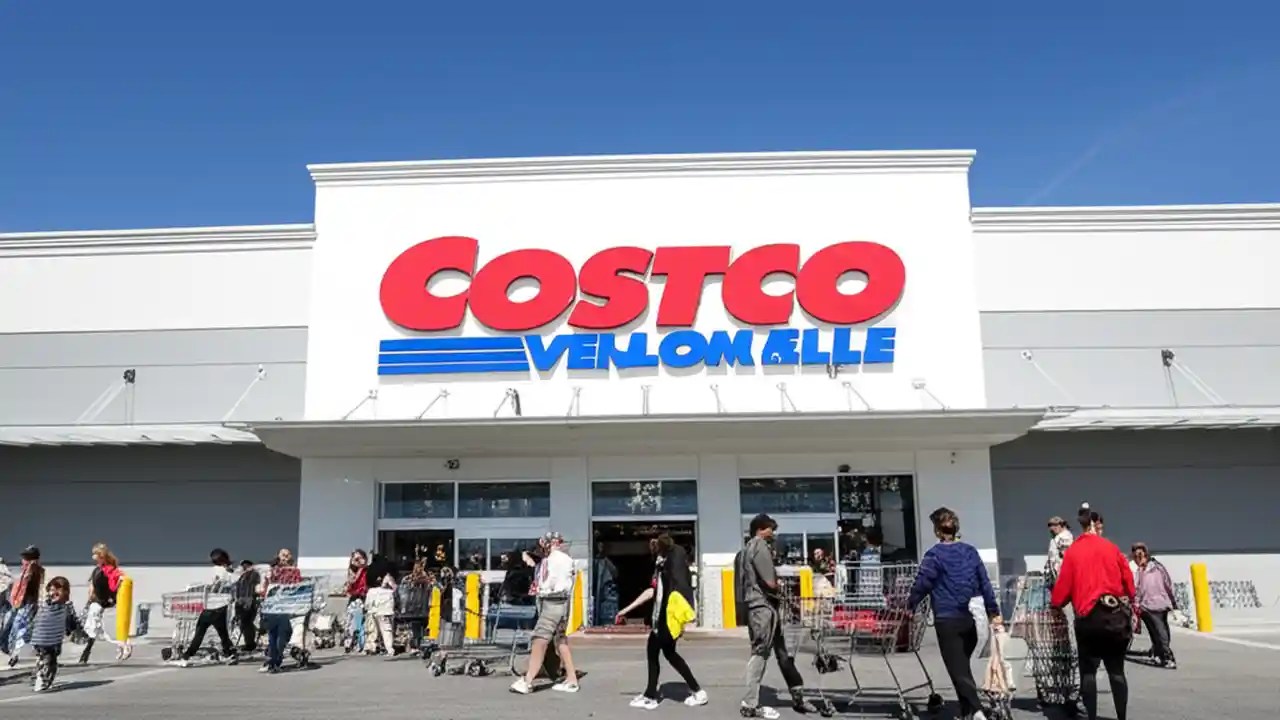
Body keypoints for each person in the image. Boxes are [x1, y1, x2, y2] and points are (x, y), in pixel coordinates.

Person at [907, 507, 1001, 720]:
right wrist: (993, 611)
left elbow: (922, 584)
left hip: (947, 619)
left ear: (938, 531)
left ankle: (977, 711)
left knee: (958, 671)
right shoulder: (970, 552)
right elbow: (985, 582)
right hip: (972, 619)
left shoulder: (934, 555)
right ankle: (966, 711)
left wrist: (909, 606)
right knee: (962, 668)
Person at [1051, 504, 1135, 720]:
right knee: (1117, 671)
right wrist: (1130, 603)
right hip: (1114, 616)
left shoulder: (1073, 552)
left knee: (1088, 672)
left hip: (1088, 619)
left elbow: (1061, 594)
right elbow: (1129, 582)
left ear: (1080, 526)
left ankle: (1092, 717)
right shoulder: (1111, 548)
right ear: (1095, 524)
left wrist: (1057, 604)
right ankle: (1122, 716)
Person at [736, 514, 816, 719]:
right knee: (761, 652)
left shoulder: (744, 550)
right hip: (763, 607)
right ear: (760, 529)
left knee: (782, 653)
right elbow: (770, 582)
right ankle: (750, 702)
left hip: (759, 606)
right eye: (770, 529)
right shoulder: (759, 546)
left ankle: (798, 695)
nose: (772, 533)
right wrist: (779, 583)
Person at [616, 534, 706, 710]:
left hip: (666, 619)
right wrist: (626, 610)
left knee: (655, 652)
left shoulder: (669, 570)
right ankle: (696, 691)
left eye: (655, 550)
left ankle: (651, 696)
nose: (653, 554)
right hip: (661, 619)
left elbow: (674, 595)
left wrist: (679, 622)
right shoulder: (663, 570)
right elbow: (652, 592)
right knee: (668, 654)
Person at [511, 531, 580, 695]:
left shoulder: (553, 560)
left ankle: (527, 681)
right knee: (560, 640)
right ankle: (571, 679)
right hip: (562, 603)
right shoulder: (564, 560)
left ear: (549, 544)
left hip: (552, 602)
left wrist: (540, 581)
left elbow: (548, 583)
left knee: (539, 639)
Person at [174, 548, 238, 666]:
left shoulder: (214, 571)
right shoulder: (229, 573)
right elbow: (233, 587)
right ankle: (229, 653)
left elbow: (204, 586)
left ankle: (187, 655)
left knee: (200, 632)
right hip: (221, 606)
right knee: (223, 633)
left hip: (209, 605)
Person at [79, 542, 133, 664]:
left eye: (95, 554)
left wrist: (118, 585)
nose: (93, 557)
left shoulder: (109, 570)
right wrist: (90, 598)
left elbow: (114, 586)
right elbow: (92, 586)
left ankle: (123, 646)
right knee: (92, 627)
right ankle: (86, 651)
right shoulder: (97, 570)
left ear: (100, 556)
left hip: (106, 603)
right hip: (98, 602)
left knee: (107, 630)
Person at [29, 576, 83, 692]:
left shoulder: (64, 606)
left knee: (44, 658)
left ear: (66, 592)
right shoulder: (51, 604)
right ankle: (42, 679)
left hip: (45, 639)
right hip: (46, 639)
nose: (54, 593)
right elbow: (71, 621)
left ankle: (39, 675)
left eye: (58, 590)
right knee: (50, 660)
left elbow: (71, 621)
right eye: (52, 590)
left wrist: (71, 629)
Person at [259, 547, 305, 673]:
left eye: (287, 555)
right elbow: (266, 586)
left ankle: (275, 659)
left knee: (283, 633)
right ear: (278, 556)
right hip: (272, 605)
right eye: (283, 555)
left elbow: (298, 586)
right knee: (273, 634)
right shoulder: (273, 570)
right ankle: (273, 661)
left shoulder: (295, 571)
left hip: (286, 605)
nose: (285, 557)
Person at [1131, 542, 1177, 669]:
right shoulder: (1139, 571)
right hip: (1146, 606)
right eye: (1135, 556)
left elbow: (1168, 584)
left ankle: (1167, 656)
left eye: (1140, 555)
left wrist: (1172, 602)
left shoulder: (1156, 568)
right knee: (1155, 632)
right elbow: (1137, 589)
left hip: (1159, 604)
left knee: (1161, 631)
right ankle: (1159, 653)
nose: (1138, 559)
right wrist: (1136, 604)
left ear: (1146, 554)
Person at [2, 545, 45, 667]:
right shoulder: (26, 570)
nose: (23, 560)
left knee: (20, 629)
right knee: (12, 629)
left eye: (26, 558)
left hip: (28, 604)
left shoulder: (34, 569)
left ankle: (16, 653)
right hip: (18, 604)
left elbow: (39, 587)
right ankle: (11, 650)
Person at [363, 552, 398, 655]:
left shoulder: (369, 571)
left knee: (371, 626)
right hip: (385, 600)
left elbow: (367, 585)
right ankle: (389, 648)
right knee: (386, 627)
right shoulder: (386, 574)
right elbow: (394, 587)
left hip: (372, 598)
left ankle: (371, 646)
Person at [235, 560, 262, 653]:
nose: (244, 567)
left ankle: (250, 643)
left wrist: (250, 601)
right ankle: (249, 642)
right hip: (241, 601)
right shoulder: (241, 576)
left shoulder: (254, 574)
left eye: (246, 566)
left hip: (250, 601)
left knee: (247, 622)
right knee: (242, 623)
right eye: (243, 566)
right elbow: (238, 588)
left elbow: (253, 586)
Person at [344, 550, 368, 653]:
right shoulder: (352, 570)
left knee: (361, 623)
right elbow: (352, 581)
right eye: (356, 559)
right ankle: (349, 644)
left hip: (363, 598)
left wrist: (362, 568)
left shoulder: (366, 570)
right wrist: (358, 569)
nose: (358, 561)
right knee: (350, 622)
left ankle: (361, 644)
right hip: (354, 599)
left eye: (360, 558)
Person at [593, 543, 619, 627]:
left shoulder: (607, 562)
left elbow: (615, 574)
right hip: (600, 597)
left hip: (608, 598)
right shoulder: (594, 561)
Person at [1044, 516, 1074, 587]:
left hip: (1063, 576)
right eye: (1051, 525)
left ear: (1062, 525)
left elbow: (1067, 556)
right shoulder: (1055, 539)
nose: (1052, 528)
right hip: (1055, 577)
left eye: (1055, 525)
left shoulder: (1065, 537)